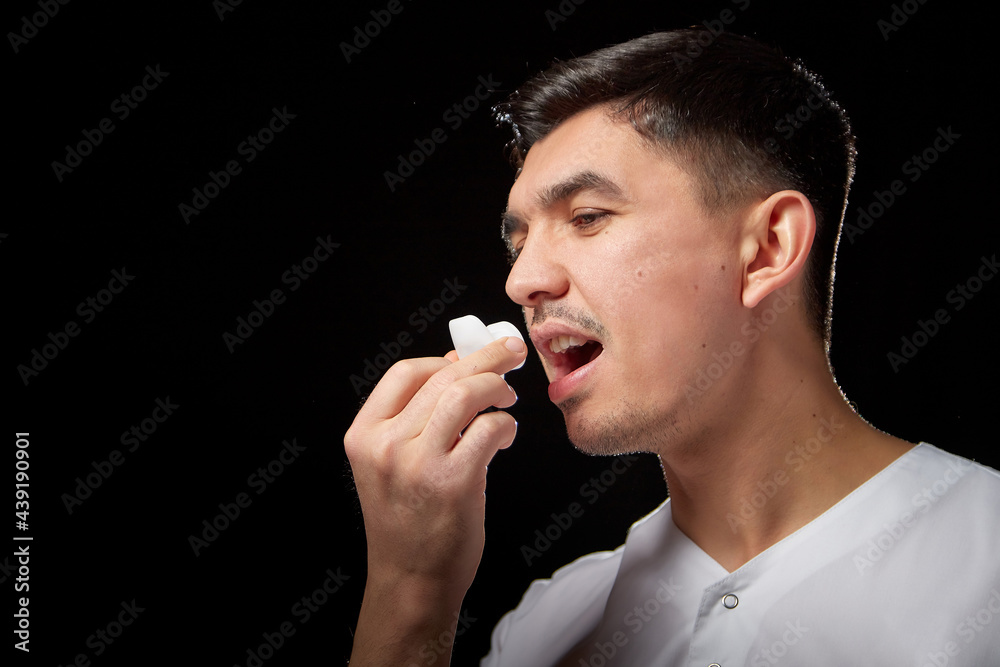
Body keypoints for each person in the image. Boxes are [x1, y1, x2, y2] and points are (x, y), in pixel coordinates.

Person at [345, 29, 1000, 666]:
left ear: (767, 248)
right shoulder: (547, 625)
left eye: (587, 217)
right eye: (518, 244)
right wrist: (410, 599)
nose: (521, 281)